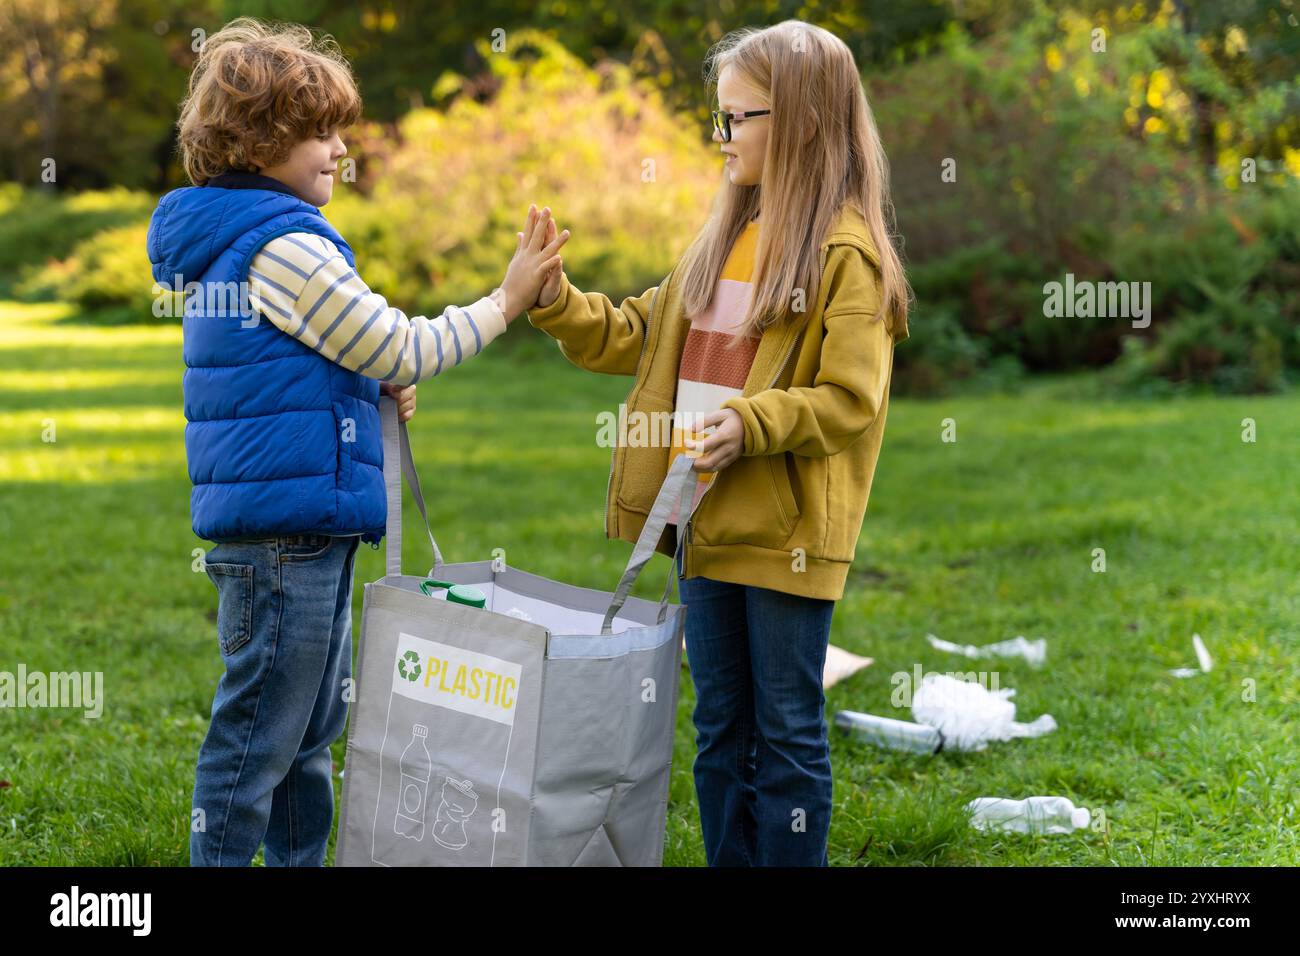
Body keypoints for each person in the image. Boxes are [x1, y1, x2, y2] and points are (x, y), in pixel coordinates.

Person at [145, 17, 566, 866]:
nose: (341, 150)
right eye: (321, 132)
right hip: (287, 546)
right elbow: (399, 344)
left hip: (299, 533)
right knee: (262, 736)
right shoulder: (288, 245)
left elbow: (304, 363)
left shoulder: (250, 241)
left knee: (303, 733)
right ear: (261, 144)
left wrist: (361, 387)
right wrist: (505, 301)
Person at [524, 20, 911, 866]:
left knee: (786, 729)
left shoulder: (848, 256)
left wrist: (753, 421)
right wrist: (556, 299)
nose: (721, 137)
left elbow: (851, 398)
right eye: (720, 118)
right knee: (718, 725)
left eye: (738, 119)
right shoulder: (723, 240)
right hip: (701, 524)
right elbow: (634, 334)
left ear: (802, 123)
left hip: (784, 539)